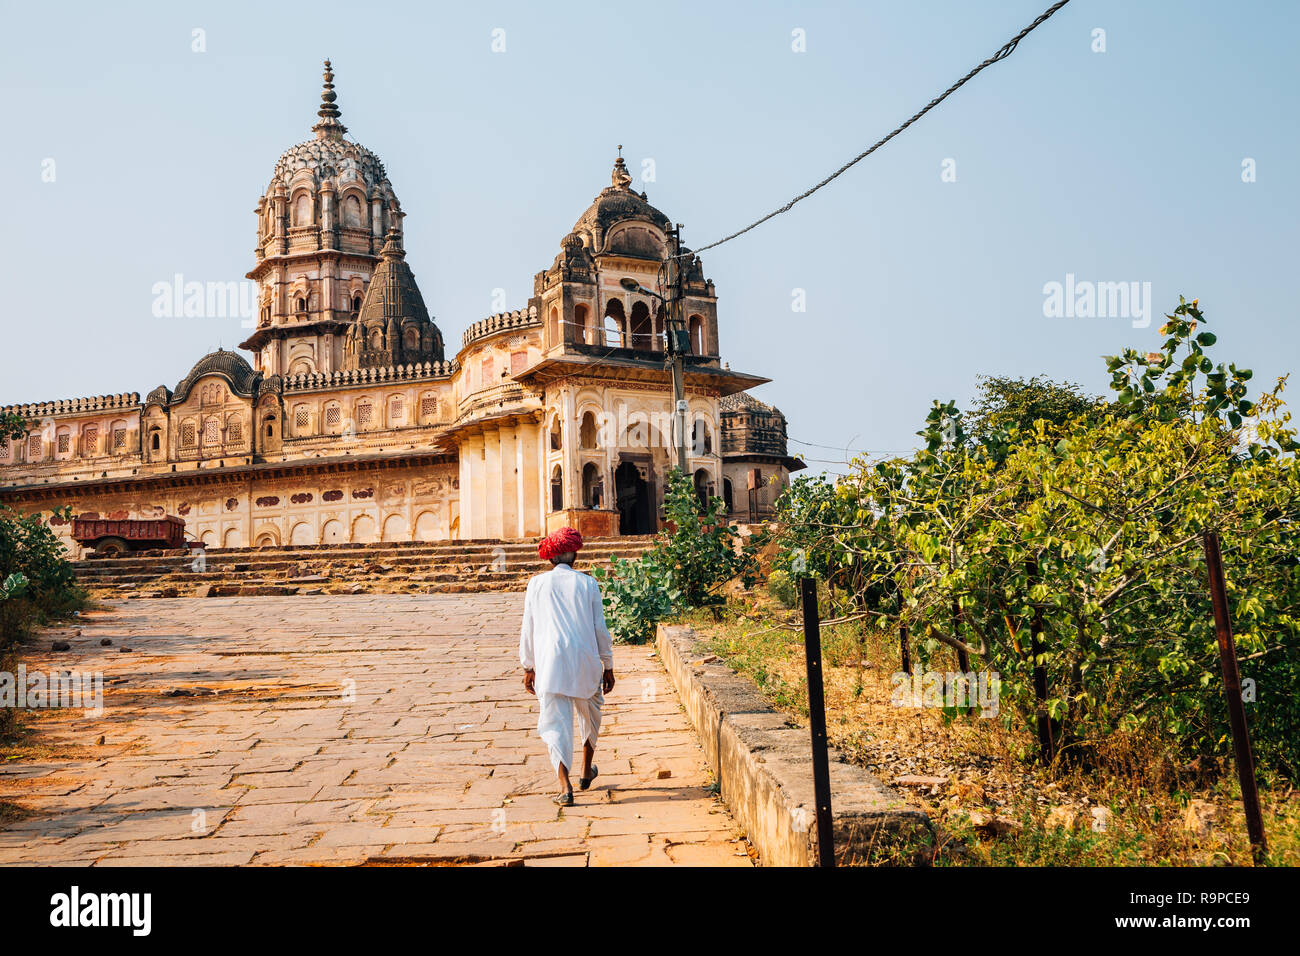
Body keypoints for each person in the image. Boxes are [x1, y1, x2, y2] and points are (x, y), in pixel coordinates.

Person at [519, 526, 616, 806]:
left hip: (550, 664)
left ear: (550, 559)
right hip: (585, 661)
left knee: (554, 723)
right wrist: (607, 664)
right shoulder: (588, 584)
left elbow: (529, 628)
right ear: (575, 557)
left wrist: (529, 666)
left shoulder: (536, 584)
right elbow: (600, 628)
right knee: (591, 714)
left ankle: (565, 787)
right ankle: (587, 769)